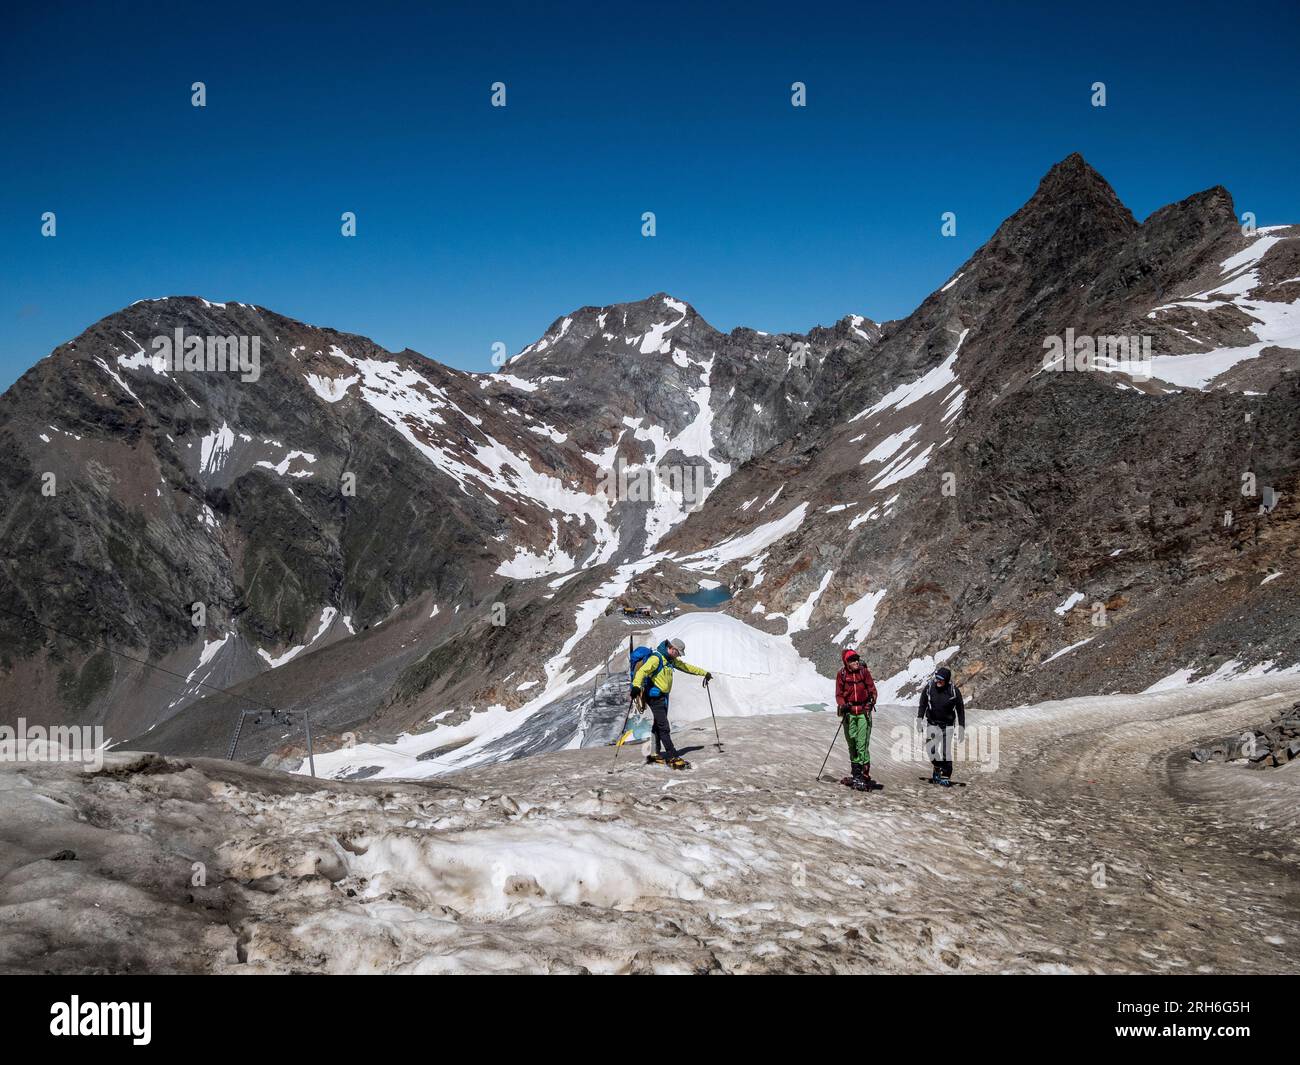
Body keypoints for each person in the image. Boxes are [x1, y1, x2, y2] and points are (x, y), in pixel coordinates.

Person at [630, 637, 712, 769]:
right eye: (678, 653)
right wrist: (635, 686)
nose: (678, 656)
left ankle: (654, 754)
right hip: (654, 696)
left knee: (658, 724)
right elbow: (642, 671)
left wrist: (704, 673)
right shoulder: (656, 659)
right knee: (664, 726)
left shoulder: (669, 660)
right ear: (672, 649)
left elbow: (686, 667)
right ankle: (672, 756)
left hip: (662, 697)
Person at [835, 648, 878, 789]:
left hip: (863, 713)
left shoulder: (863, 672)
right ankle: (856, 774)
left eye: (856, 659)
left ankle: (862, 776)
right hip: (849, 713)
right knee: (852, 743)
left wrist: (872, 701)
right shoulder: (841, 675)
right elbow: (839, 694)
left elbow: (872, 689)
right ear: (846, 662)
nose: (856, 661)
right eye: (852, 660)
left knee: (861, 744)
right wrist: (843, 705)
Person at [918, 665, 965, 785]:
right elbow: (923, 703)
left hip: (947, 726)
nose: (937, 681)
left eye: (941, 679)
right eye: (936, 678)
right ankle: (938, 767)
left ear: (946, 680)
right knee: (930, 749)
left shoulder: (953, 691)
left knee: (945, 751)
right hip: (932, 724)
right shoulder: (929, 688)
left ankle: (946, 774)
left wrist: (961, 727)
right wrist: (919, 718)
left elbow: (960, 709)